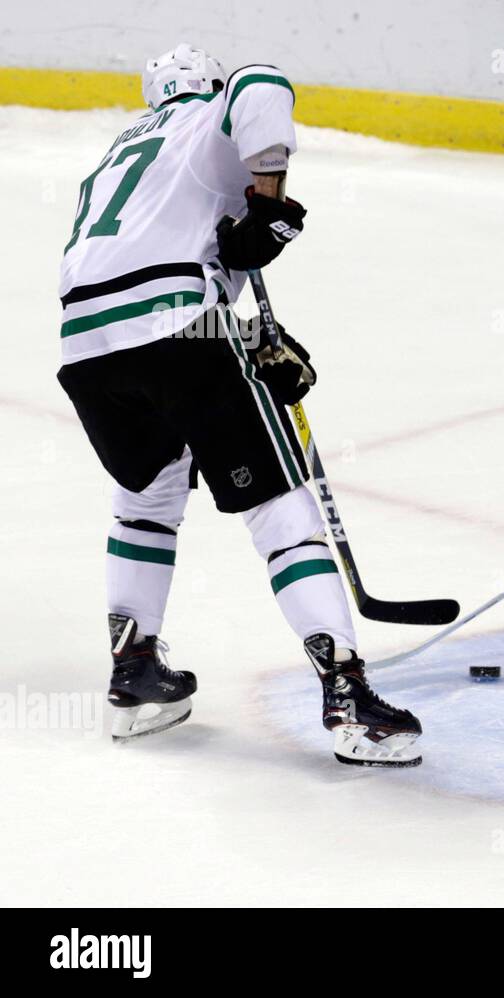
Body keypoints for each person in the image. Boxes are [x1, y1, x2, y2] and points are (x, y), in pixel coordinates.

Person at [56, 43, 421, 767]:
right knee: (280, 505)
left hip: (86, 350)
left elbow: (166, 257)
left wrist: (246, 333)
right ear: (203, 88)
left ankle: (135, 678)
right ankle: (346, 695)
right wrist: (270, 200)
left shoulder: (111, 162)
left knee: (144, 503)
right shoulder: (202, 121)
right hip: (180, 328)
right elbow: (264, 82)